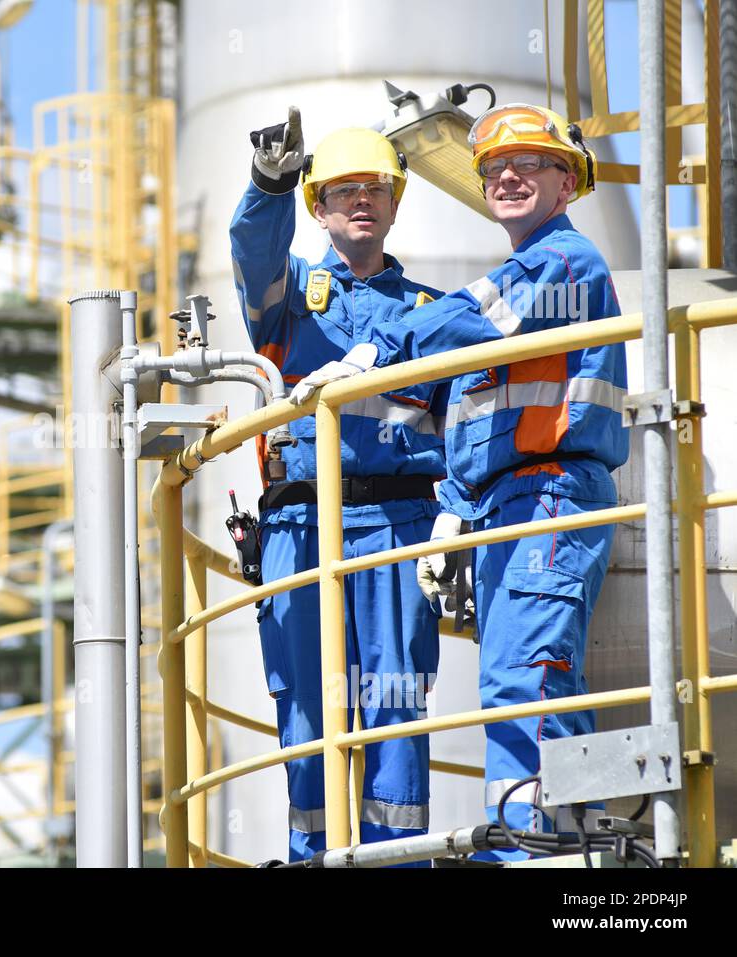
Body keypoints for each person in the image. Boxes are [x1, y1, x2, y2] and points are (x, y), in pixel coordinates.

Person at [293, 104, 626, 859]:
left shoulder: (562, 264)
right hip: (510, 504)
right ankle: (560, 846)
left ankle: (533, 853)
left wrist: (376, 350)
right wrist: (453, 509)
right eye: (495, 169)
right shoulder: (524, 284)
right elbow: (475, 415)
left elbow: (466, 319)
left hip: (549, 497)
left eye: (530, 164)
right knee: (525, 680)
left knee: (525, 681)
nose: (508, 177)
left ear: (568, 182)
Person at [231, 107, 450, 863]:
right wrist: (269, 184)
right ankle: (311, 858)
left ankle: (399, 857)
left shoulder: (430, 313)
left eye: (376, 188)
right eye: (343, 190)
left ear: (395, 204)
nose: (362, 199)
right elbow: (253, 251)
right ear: (317, 208)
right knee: (306, 710)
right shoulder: (288, 296)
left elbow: (464, 432)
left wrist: (456, 521)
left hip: (400, 527)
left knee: (395, 704)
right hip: (301, 526)